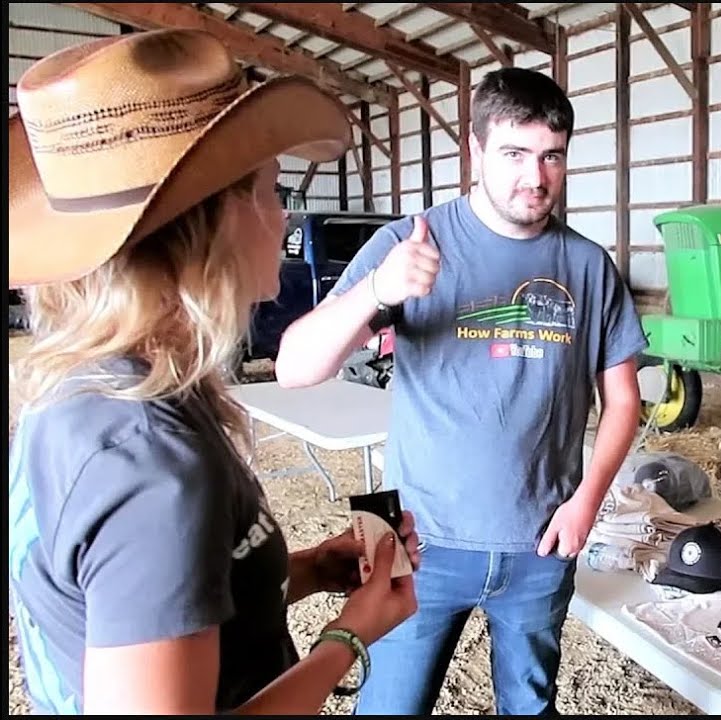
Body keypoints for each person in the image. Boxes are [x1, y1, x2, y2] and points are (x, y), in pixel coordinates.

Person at [7, 29, 420, 715]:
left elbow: (156, 609)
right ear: (214, 222)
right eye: (269, 188)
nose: (284, 214)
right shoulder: (149, 465)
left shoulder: (100, 389)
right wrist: (349, 639)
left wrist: (311, 568)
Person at [273, 65, 647, 715]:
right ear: (473, 151)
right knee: (386, 707)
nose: (536, 177)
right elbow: (294, 367)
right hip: (404, 531)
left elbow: (622, 399)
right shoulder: (406, 243)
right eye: (514, 154)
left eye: (552, 157)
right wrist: (378, 290)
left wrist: (587, 501)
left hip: (540, 540)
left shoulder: (589, 265)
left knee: (529, 708)